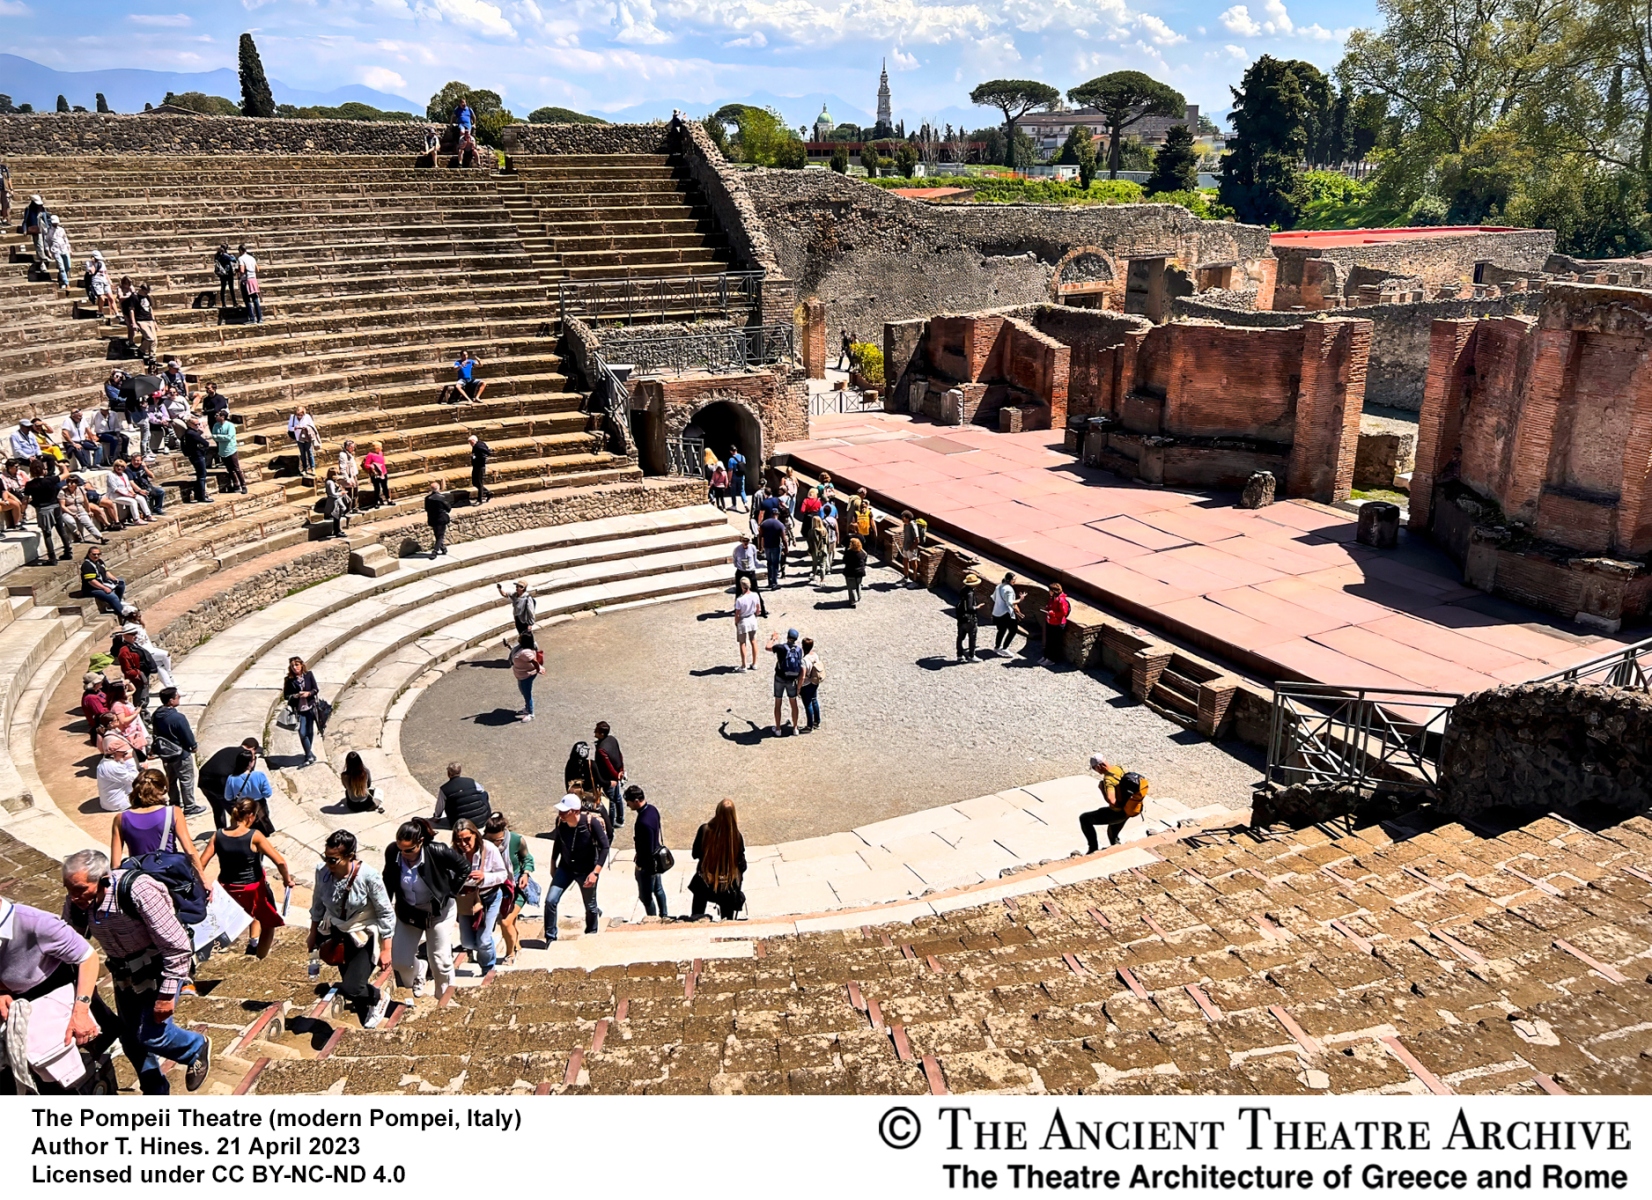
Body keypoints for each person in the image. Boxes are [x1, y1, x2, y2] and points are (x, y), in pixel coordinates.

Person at [61, 848, 211, 1093]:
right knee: (131, 1040)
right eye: (68, 889)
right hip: (125, 975)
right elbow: (67, 939)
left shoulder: (138, 890)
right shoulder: (78, 901)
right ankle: (155, 1092)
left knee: (153, 1036)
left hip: (159, 969)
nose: (73, 896)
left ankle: (195, 1046)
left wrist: (166, 996)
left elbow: (177, 947)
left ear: (103, 880)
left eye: (79, 889)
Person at [0, 897, 104, 1085]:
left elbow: (87, 957)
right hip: (19, 1018)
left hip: (58, 1013)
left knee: (82, 1081)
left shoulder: (38, 923)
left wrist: (80, 1013)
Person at [307, 831, 393, 1029]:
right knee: (348, 981)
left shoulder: (369, 877)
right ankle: (368, 1004)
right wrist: (313, 932)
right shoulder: (322, 871)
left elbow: (386, 912)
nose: (328, 863)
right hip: (338, 932)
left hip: (364, 933)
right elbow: (318, 902)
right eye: (325, 857)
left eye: (333, 859)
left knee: (352, 987)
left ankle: (379, 997)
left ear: (350, 856)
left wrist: (387, 948)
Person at [199, 796, 293, 959]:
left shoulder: (218, 835)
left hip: (228, 889)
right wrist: (287, 880)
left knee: (236, 919)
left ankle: (250, 942)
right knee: (269, 924)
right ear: (250, 816)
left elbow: (200, 864)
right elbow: (280, 862)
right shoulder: (255, 836)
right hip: (254, 889)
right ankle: (261, 959)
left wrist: (204, 884)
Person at [383, 817, 465, 1002]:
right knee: (400, 962)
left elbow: (464, 868)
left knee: (441, 960)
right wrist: (385, 905)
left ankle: (444, 998)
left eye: (409, 850)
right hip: (409, 914)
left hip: (439, 913)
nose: (404, 854)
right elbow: (388, 877)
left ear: (420, 842)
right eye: (401, 849)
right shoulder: (393, 852)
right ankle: (419, 970)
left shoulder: (437, 850)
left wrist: (450, 892)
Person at [110, 771, 206, 887]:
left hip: (140, 881)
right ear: (163, 789)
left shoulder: (121, 818)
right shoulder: (173, 812)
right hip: (169, 877)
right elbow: (190, 851)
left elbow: (115, 865)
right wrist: (203, 881)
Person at [545, 793, 608, 942]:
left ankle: (591, 935)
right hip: (565, 868)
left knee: (590, 907)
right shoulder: (560, 823)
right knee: (550, 901)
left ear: (575, 811)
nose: (561, 815)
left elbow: (605, 847)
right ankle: (550, 937)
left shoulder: (591, 823)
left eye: (565, 812)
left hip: (587, 871)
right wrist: (553, 863)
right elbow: (558, 843)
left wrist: (595, 873)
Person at [451, 818, 507, 975]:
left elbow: (502, 874)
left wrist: (484, 877)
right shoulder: (454, 852)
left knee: (483, 941)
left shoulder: (488, 849)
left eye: (467, 839)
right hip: (466, 901)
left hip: (489, 897)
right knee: (467, 942)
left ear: (475, 835)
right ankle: (487, 947)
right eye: (459, 840)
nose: (464, 844)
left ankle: (488, 968)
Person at [484, 812, 535, 964]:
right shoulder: (482, 843)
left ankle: (510, 954)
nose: (495, 844)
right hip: (498, 889)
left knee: (505, 922)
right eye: (491, 840)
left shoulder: (516, 840)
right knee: (509, 923)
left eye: (498, 840)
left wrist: (526, 873)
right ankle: (516, 946)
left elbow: (527, 858)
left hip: (517, 887)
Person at [689, 799, 746, 920]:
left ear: (717, 811)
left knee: (697, 914)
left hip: (705, 882)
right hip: (726, 887)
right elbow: (742, 865)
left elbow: (695, 854)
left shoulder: (705, 830)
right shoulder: (736, 837)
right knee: (727, 919)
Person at [151, 688, 205, 816]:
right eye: (177, 697)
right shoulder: (178, 718)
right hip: (180, 754)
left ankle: (174, 802)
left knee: (171, 779)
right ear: (171, 701)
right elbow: (186, 735)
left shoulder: (156, 714)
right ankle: (190, 806)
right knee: (186, 780)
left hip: (166, 754)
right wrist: (193, 746)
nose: (179, 698)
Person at [1078, 756, 1147, 851]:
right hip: (1128, 808)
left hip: (1117, 812)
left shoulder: (1108, 780)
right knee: (1112, 833)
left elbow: (1112, 801)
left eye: (1094, 768)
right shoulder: (1119, 768)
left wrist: (1102, 789)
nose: (1095, 770)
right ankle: (1117, 850)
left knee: (1084, 818)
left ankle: (1093, 849)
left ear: (1100, 766)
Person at [198, 737, 263, 830]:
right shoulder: (245, 756)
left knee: (217, 809)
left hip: (204, 780)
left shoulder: (227, 749)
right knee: (237, 811)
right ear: (252, 749)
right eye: (255, 752)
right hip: (221, 782)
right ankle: (241, 834)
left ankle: (221, 833)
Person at [625, 785, 667, 919]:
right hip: (657, 858)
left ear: (636, 801)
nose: (627, 805)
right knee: (659, 889)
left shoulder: (642, 822)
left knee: (645, 897)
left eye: (629, 802)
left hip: (647, 866)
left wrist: (640, 866)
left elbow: (647, 850)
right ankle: (664, 915)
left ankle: (652, 918)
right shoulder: (652, 810)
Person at [24, 459, 74, 566]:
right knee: (61, 530)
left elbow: (25, 499)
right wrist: (62, 465)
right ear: (43, 470)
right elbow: (66, 474)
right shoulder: (51, 480)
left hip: (43, 510)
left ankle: (52, 558)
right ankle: (68, 552)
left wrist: (22, 511)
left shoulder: (29, 484)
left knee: (47, 534)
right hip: (55, 506)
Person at [221, 743, 274, 836]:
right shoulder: (259, 775)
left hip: (243, 807)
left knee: (248, 833)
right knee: (263, 830)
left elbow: (228, 797)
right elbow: (268, 793)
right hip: (259, 807)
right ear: (250, 763)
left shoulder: (231, 778)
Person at [283, 656, 321, 766]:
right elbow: (286, 696)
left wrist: (309, 693)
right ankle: (309, 755)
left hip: (310, 708)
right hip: (299, 710)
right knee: (302, 733)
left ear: (301, 665)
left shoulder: (309, 675)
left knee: (310, 732)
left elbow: (315, 689)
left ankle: (309, 753)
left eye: (297, 665)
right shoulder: (289, 680)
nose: (295, 668)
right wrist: (295, 696)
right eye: (292, 666)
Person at [767, 628, 804, 736]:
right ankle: (795, 728)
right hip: (792, 680)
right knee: (793, 703)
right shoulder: (798, 650)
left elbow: (767, 647)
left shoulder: (781, 647)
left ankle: (778, 729)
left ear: (787, 637)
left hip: (779, 677)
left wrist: (773, 639)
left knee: (778, 703)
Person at [432, 761, 491, 828]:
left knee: (447, 801)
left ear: (448, 773)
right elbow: (482, 790)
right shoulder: (471, 781)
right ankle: (484, 813)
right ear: (460, 772)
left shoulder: (444, 789)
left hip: (460, 825)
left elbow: (440, 807)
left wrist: (436, 817)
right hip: (481, 821)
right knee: (484, 794)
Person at [593, 721, 626, 830]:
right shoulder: (612, 739)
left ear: (602, 734)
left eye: (596, 731)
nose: (594, 732)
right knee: (618, 798)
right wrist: (621, 770)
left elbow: (608, 766)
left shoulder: (601, 749)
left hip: (609, 778)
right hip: (617, 774)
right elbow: (619, 755)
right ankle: (620, 819)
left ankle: (610, 825)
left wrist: (615, 776)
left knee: (611, 801)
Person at [80, 546, 128, 619]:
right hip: (92, 589)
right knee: (112, 596)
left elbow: (106, 572)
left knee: (121, 583)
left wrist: (113, 578)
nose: (96, 556)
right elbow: (91, 581)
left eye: (98, 554)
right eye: (94, 554)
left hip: (102, 582)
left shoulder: (99, 561)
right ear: (89, 554)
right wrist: (104, 588)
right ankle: (123, 614)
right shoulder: (87, 565)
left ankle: (118, 602)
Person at [95, 736, 139, 813]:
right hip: (118, 803)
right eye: (123, 752)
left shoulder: (106, 762)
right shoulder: (113, 767)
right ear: (114, 753)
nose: (125, 753)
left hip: (109, 802)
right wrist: (130, 760)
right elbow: (135, 780)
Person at [114, 629, 154, 712]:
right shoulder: (124, 651)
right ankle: (141, 716)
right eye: (132, 635)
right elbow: (127, 670)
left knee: (145, 697)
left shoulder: (134, 645)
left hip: (143, 676)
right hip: (137, 679)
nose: (135, 637)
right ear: (125, 636)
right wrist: (139, 674)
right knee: (140, 699)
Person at [103, 461, 152, 525]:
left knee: (140, 498)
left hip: (126, 494)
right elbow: (115, 489)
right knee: (133, 501)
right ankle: (136, 519)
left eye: (121, 466)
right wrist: (128, 495)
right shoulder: (111, 475)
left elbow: (129, 487)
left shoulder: (124, 475)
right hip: (115, 495)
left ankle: (148, 515)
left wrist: (133, 494)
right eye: (117, 466)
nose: (119, 468)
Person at [210, 411, 248, 494]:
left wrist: (218, 437)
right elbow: (214, 436)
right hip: (222, 450)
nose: (216, 417)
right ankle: (236, 484)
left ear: (223, 417)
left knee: (236, 468)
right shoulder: (216, 425)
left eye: (217, 415)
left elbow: (229, 437)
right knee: (229, 469)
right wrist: (219, 437)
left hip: (231, 449)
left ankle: (243, 485)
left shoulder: (230, 425)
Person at [510, 631, 543, 722]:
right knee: (523, 691)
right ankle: (527, 708)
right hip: (521, 675)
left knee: (527, 693)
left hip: (526, 676)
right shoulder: (522, 648)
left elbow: (535, 661)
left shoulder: (525, 652)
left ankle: (530, 713)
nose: (518, 638)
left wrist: (538, 669)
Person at [731, 533, 766, 618]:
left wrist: (763, 565)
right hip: (741, 571)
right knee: (739, 591)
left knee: (755, 590)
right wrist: (740, 567)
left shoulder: (753, 548)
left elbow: (754, 560)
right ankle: (737, 608)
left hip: (750, 572)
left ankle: (762, 610)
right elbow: (735, 561)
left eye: (747, 541)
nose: (745, 542)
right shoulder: (737, 549)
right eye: (744, 541)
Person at [181, 417, 213, 504]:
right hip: (197, 456)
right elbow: (205, 443)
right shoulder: (192, 433)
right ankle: (202, 496)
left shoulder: (189, 433)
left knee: (201, 475)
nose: (198, 426)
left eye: (199, 424)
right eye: (196, 424)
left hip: (194, 456)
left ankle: (201, 494)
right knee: (202, 475)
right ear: (190, 425)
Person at [733, 577, 761, 671]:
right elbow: (758, 609)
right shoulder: (755, 595)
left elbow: (737, 613)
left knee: (742, 643)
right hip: (752, 618)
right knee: (753, 641)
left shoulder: (740, 599)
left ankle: (744, 665)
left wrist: (736, 622)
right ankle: (755, 663)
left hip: (743, 620)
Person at [1039, 582, 1071, 666]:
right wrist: (1047, 608)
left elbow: (1063, 612)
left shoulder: (1061, 600)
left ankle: (1052, 659)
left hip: (1058, 623)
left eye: (1050, 590)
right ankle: (1046, 656)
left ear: (1054, 591)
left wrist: (1053, 613)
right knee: (1048, 640)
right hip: (1050, 621)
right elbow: (1050, 606)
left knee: (1054, 642)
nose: (1049, 592)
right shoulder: (1052, 598)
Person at [991, 573, 1022, 654]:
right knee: (1013, 630)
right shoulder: (1009, 589)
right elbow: (1010, 602)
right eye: (1014, 580)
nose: (1015, 581)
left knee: (1001, 630)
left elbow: (993, 598)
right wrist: (1020, 599)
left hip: (997, 612)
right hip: (1006, 614)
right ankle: (1005, 648)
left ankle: (997, 647)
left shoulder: (998, 586)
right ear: (1010, 580)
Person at [956, 572, 983, 662]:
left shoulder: (963, 590)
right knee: (972, 637)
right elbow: (970, 608)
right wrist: (978, 607)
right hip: (970, 619)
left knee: (960, 637)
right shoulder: (970, 593)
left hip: (961, 618)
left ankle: (959, 655)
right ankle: (971, 656)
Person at [799, 636, 823, 731]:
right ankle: (817, 722)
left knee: (808, 704)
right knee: (814, 700)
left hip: (806, 685)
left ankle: (809, 726)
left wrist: (798, 688)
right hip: (814, 682)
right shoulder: (815, 655)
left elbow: (802, 676)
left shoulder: (804, 660)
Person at [759, 508, 786, 590]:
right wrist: (786, 549)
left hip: (767, 546)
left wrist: (760, 546)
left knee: (769, 564)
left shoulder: (764, 523)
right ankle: (774, 583)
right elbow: (784, 538)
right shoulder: (780, 524)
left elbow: (760, 535)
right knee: (775, 565)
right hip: (776, 546)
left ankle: (770, 582)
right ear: (777, 514)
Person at [287, 405, 318, 478]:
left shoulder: (307, 417)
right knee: (302, 453)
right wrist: (295, 428)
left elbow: (312, 426)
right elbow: (289, 428)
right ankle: (305, 468)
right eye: (298, 415)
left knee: (310, 452)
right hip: (299, 438)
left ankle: (312, 468)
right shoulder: (293, 417)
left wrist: (306, 427)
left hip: (307, 437)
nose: (299, 416)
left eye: (301, 415)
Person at [131, 283, 159, 358]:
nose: (147, 293)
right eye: (145, 291)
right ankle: (141, 350)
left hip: (150, 319)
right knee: (150, 338)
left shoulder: (148, 297)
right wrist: (134, 323)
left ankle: (152, 356)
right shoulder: (134, 297)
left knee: (155, 340)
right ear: (141, 289)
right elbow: (131, 310)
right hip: (141, 320)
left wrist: (154, 321)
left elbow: (150, 309)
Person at [236, 245, 262, 324]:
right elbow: (257, 269)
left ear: (240, 250)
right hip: (253, 279)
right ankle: (259, 318)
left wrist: (237, 271)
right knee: (255, 299)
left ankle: (252, 318)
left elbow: (242, 270)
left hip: (246, 281)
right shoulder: (252, 258)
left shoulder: (241, 258)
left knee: (247, 300)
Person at [44, 215, 71, 290]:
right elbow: (46, 241)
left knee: (68, 266)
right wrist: (48, 251)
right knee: (61, 267)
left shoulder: (61, 230)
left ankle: (61, 279)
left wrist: (69, 248)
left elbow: (65, 239)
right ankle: (66, 283)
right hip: (56, 250)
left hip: (64, 249)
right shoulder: (48, 231)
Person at [425, 481, 451, 557]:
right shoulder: (442, 498)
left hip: (432, 519)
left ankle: (443, 548)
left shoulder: (427, 498)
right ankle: (435, 551)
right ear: (438, 488)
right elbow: (448, 508)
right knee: (440, 536)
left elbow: (426, 508)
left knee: (437, 535)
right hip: (441, 519)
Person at [321, 468, 349, 539]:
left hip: (337, 500)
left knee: (338, 516)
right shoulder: (329, 482)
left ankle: (338, 530)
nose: (337, 475)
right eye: (336, 474)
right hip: (333, 501)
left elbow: (344, 477)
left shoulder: (334, 481)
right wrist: (341, 493)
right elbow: (332, 493)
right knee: (336, 516)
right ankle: (337, 531)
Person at [898, 510, 923, 586]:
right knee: (905, 561)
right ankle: (906, 576)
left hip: (911, 547)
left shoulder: (913, 525)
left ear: (907, 518)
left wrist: (912, 547)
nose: (902, 519)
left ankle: (915, 580)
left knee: (913, 563)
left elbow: (917, 539)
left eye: (903, 517)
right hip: (906, 546)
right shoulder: (905, 525)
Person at [465, 434, 491, 503]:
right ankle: (488, 493)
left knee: (479, 483)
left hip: (479, 467)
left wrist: (476, 459)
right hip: (476, 466)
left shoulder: (478, 446)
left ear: (474, 441)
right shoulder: (478, 445)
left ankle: (480, 499)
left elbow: (484, 455)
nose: (470, 444)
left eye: (470, 442)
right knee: (475, 482)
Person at [842, 536, 867, 607]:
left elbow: (844, 561)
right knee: (858, 585)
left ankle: (853, 601)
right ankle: (858, 596)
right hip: (860, 572)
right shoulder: (861, 553)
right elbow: (865, 556)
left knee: (852, 587)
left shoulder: (848, 553)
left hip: (850, 572)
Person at [363, 442, 390, 509]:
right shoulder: (370, 455)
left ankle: (388, 499)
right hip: (375, 474)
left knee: (385, 487)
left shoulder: (381, 453)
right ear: (376, 448)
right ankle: (376, 501)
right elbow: (366, 465)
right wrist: (372, 466)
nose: (381, 449)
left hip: (383, 472)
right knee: (377, 488)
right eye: (380, 447)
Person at [213, 244, 240, 309]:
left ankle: (224, 304)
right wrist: (231, 256)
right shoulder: (226, 255)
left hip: (222, 274)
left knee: (223, 288)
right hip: (228, 273)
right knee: (231, 288)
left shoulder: (217, 255)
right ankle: (234, 302)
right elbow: (234, 260)